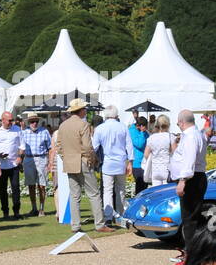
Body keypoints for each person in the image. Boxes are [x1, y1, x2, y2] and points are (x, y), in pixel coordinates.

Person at [54, 98, 106, 233]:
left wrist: (66, 157)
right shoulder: (83, 125)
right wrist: (90, 159)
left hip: (70, 162)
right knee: (94, 193)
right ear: (81, 110)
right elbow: (88, 146)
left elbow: (58, 146)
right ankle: (99, 224)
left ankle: (75, 225)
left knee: (74, 195)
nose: (86, 111)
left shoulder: (63, 125)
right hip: (83, 161)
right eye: (85, 109)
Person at [171, 110, 209, 249]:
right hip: (195, 177)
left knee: (189, 218)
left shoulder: (191, 136)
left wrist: (183, 180)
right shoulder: (197, 134)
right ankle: (194, 249)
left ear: (181, 122)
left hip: (191, 179)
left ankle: (191, 251)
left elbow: (189, 159)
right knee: (192, 217)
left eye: (178, 123)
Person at [92, 106, 134, 224]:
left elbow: (94, 147)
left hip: (107, 163)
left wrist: (92, 160)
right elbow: (129, 146)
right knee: (120, 189)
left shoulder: (100, 128)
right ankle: (120, 215)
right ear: (116, 115)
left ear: (105, 115)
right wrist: (130, 162)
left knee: (107, 191)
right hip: (120, 162)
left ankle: (108, 216)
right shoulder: (123, 127)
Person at [0, 111, 24, 219]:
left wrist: (20, 157)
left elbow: (22, 146)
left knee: (16, 188)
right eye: (9, 120)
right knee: (2, 190)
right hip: (0, 165)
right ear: (3, 120)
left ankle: (16, 211)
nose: (11, 122)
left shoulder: (17, 130)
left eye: (12, 120)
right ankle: (5, 212)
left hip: (14, 165)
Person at [21, 112, 52, 216]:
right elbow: (20, 148)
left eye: (36, 121)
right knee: (31, 185)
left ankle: (42, 209)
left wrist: (50, 162)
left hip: (41, 158)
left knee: (42, 185)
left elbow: (50, 148)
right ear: (28, 122)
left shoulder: (44, 132)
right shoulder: (24, 133)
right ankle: (34, 208)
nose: (34, 123)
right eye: (32, 121)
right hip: (28, 159)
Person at [143, 114, 175, 185]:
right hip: (167, 169)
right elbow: (175, 153)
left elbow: (146, 154)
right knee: (167, 193)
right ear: (168, 124)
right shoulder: (170, 137)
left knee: (156, 192)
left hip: (155, 169)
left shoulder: (151, 138)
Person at [128, 115, 149, 193]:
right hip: (137, 163)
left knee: (145, 186)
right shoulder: (132, 131)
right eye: (145, 127)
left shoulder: (144, 132)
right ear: (140, 126)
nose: (146, 128)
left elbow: (148, 142)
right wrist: (142, 133)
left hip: (145, 162)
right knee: (140, 188)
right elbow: (139, 144)